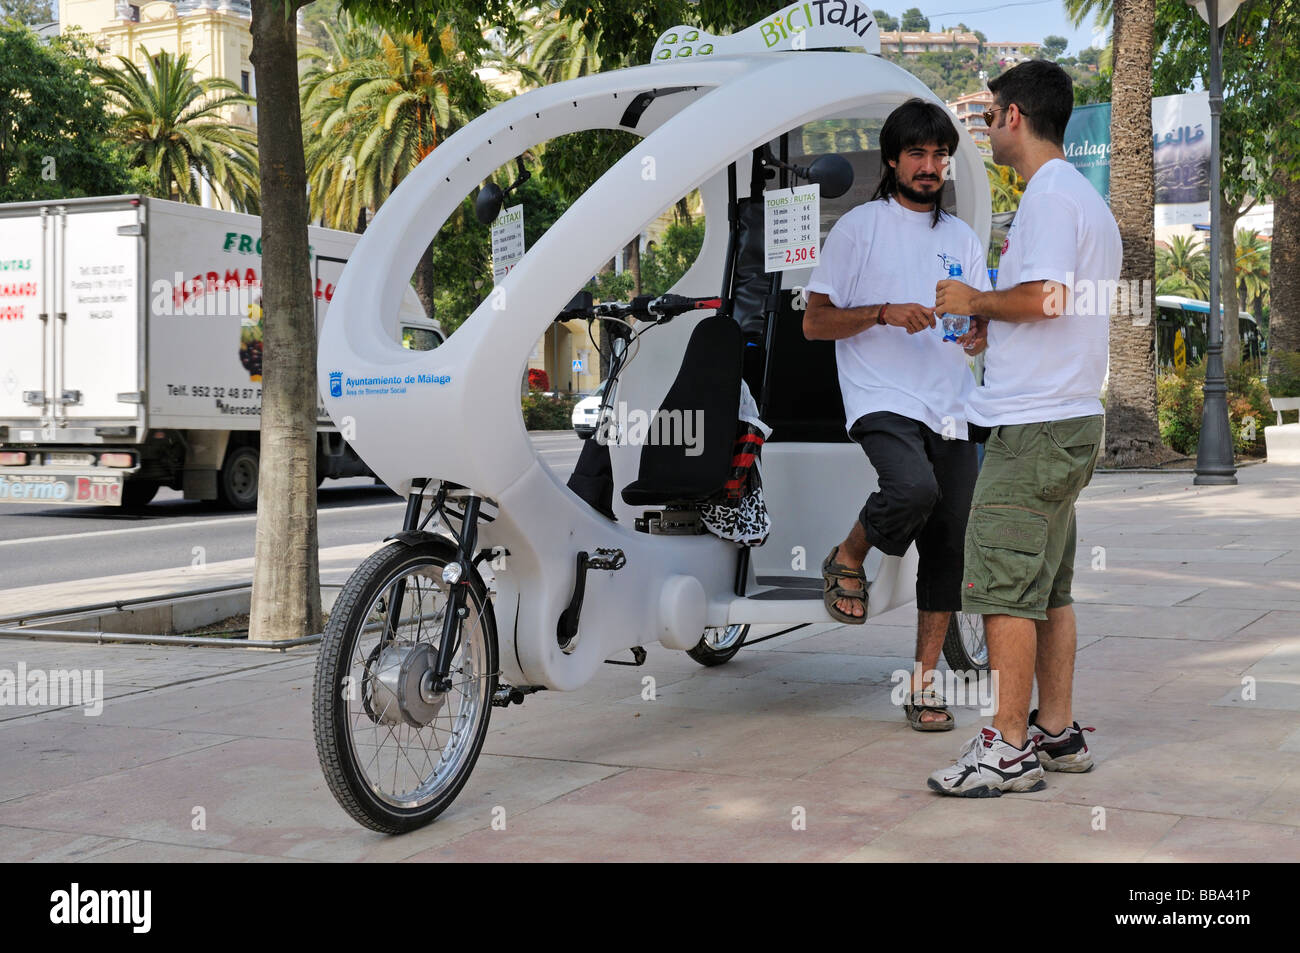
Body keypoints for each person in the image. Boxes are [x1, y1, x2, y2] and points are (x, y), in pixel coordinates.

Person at [927, 59, 1121, 795]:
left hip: (1034, 428)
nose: (986, 129)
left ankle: (1006, 747)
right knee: (1050, 586)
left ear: (1012, 116)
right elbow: (1055, 309)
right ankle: (1057, 731)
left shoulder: (1044, 198)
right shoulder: (1086, 200)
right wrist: (990, 325)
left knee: (1004, 588)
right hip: (1069, 418)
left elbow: (1044, 298)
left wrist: (977, 298)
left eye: (989, 115)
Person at [803, 98, 990, 731]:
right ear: (893, 159)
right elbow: (814, 322)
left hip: (952, 406)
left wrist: (976, 335)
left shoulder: (962, 238)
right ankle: (849, 555)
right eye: (918, 153)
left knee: (948, 546)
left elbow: (974, 324)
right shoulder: (860, 227)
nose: (930, 165)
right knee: (912, 489)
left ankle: (922, 686)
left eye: (940, 155)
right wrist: (882, 311)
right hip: (880, 395)